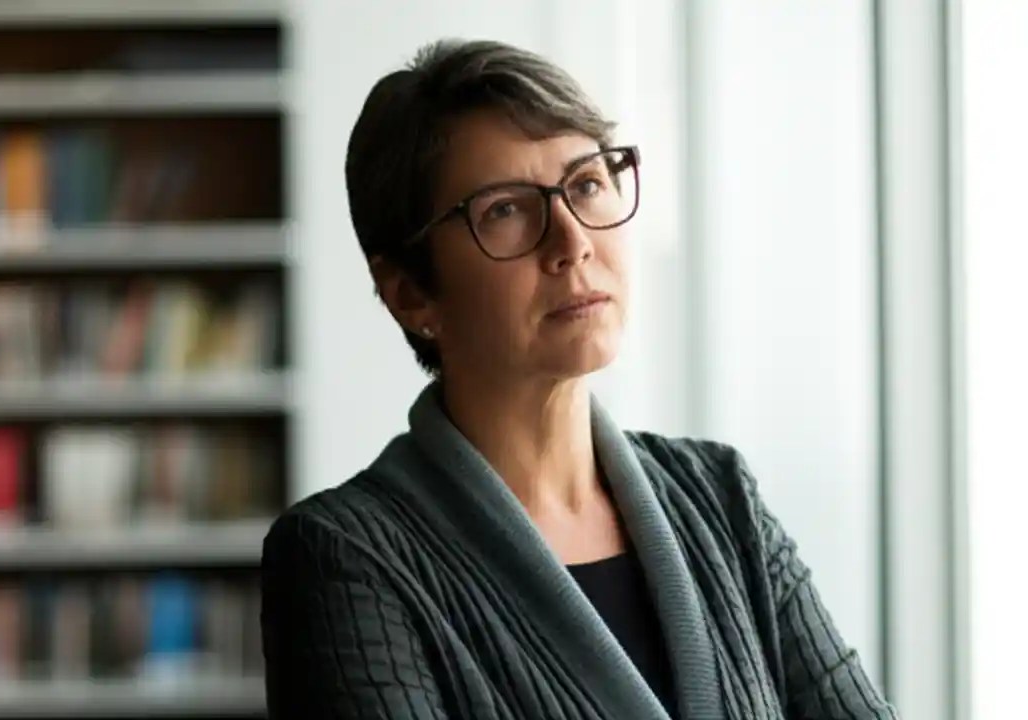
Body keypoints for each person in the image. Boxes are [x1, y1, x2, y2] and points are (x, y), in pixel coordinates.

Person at [260, 39, 897, 720]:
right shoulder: (342, 559)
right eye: (504, 209)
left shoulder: (721, 498)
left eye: (587, 183)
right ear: (411, 292)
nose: (572, 242)